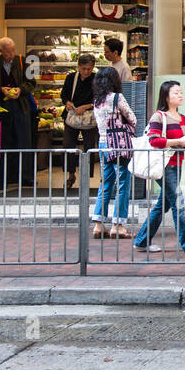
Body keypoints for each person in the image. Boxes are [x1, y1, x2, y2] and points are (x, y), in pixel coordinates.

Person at [133, 81, 185, 258]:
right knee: (178, 204)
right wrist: (179, 142)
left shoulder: (182, 118)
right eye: (175, 93)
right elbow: (154, 141)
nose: (180, 95)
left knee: (162, 205)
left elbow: (182, 142)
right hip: (164, 166)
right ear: (166, 96)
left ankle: (142, 240)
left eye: (181, 92)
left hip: (177, 163)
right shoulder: (158, 116)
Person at [0, 37, 36, 183]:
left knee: (23, 140)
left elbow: (32, 83)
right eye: (7, 52)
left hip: (21, 106)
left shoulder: (24, 62)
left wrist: (20, 89)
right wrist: (1, 90)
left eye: (12, 51)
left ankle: (26, 177)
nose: (11, 55)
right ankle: (3, 177)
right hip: (1, 107)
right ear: (0, 51)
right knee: (3, 141)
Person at [90, 66, 134, 239]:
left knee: (105, 182)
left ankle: (98, 224)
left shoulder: (96, 101)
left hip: (103, 144)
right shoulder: (117, 98)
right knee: (123, 183)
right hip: (119, 145)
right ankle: (118, 224)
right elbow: (132, 117)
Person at [60, 53, 98, 190]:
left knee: (89, 147)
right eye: (83, 69)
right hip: (72, 117)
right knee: (68, 145)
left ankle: (87, 176)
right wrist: (67, 103)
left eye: (89, 69)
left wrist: (87, 106)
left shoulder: (96, 79)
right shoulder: (71, 78)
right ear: (78, 67)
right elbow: (63, 94)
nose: (86, 72)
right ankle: (71, 174)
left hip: (89, 118)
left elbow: (100, 98)